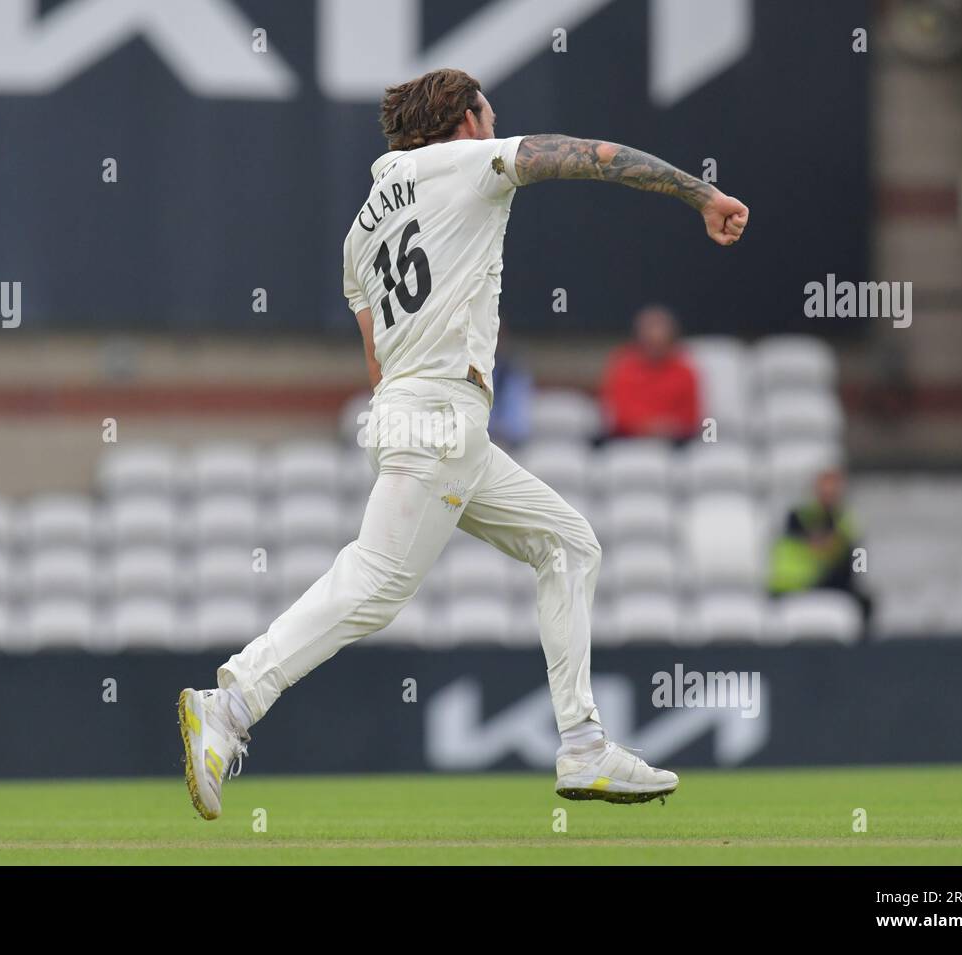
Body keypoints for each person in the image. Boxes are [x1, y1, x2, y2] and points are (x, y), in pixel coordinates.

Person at [178, 68, 749, 820]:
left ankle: (583, 744)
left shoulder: (361, 231)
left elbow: (376, 357)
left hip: (418, 415)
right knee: (377, 584)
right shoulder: (469, 163)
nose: (498, 124)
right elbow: (585, 154)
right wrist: (699, 193)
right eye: (490, 113)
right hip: (442, 412)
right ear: (466, 121)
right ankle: (232, 701)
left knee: (569, 545)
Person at [768, 468, 872, 621]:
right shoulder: (797, 517)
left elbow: (860, 561)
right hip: (793, 584)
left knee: (865, 601)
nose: (829, 495)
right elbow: (819, 547)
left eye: (834, 491)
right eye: (825, 490)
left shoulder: (846, 519)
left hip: (829, 583)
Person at [600, 305, 701, 442]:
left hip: (675, 441)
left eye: (660, 343)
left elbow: (691, 416)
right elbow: (618, 413)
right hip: (628, 439)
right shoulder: (624, 366)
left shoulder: (685, 372)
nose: (655, 349)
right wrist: (647, 427)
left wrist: (668, 427)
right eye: (650, 343)